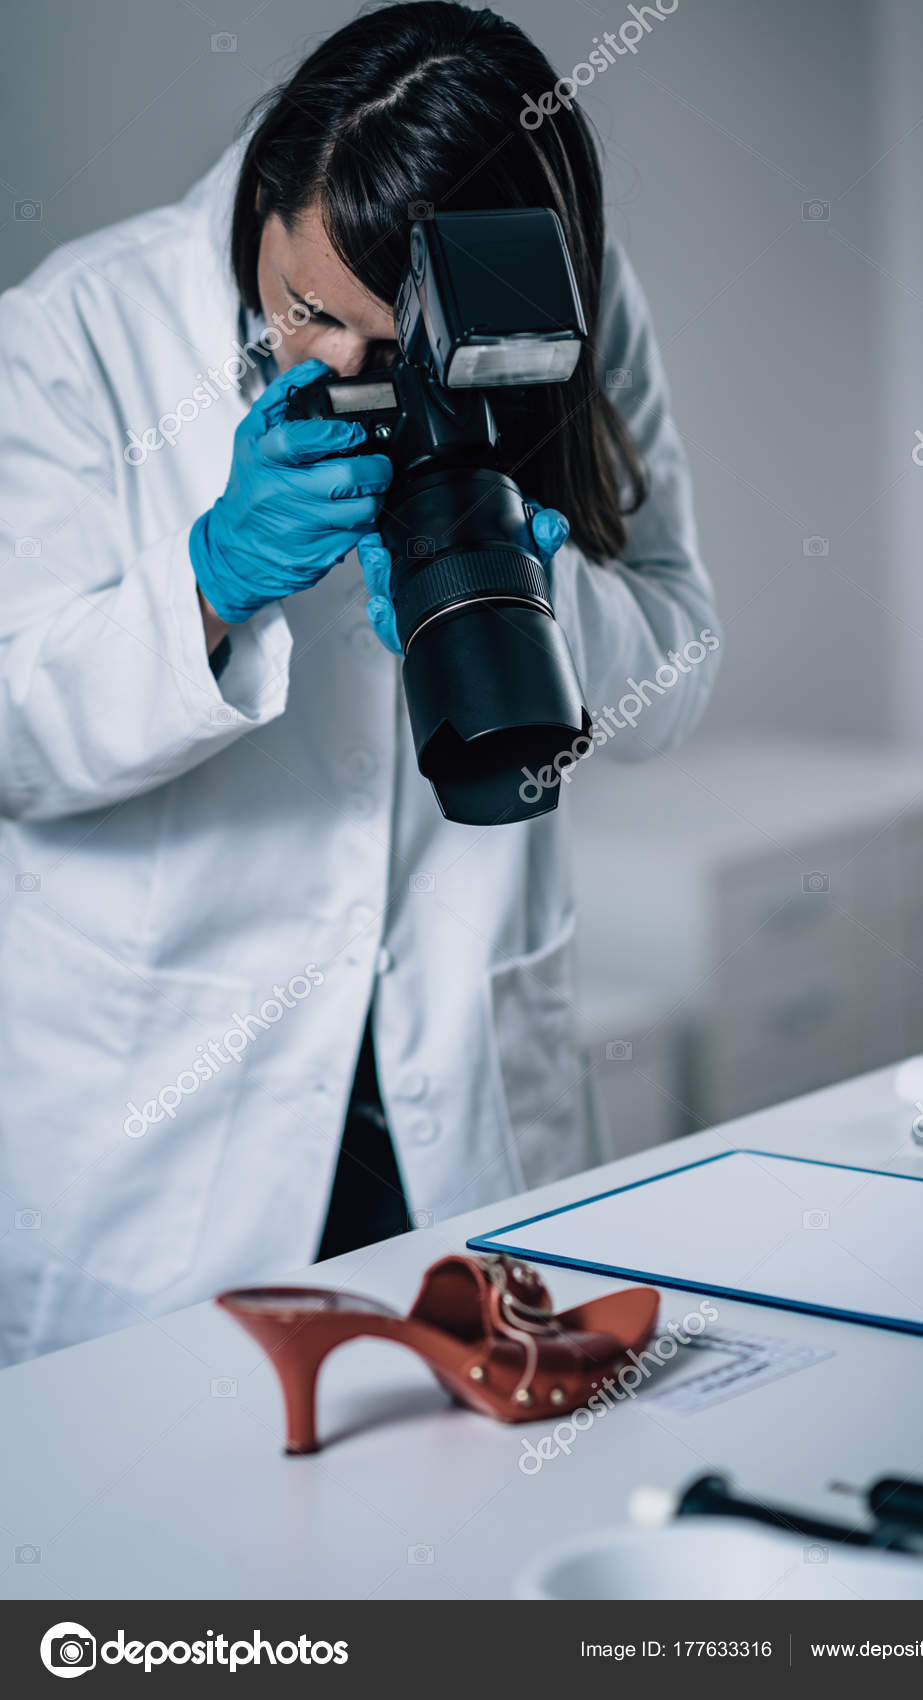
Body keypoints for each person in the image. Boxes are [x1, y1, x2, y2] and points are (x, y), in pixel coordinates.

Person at [0, 2, 717, 1364]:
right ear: (262, 208)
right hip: (161, 1153)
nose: (341, 367)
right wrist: (210, 584)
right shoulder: (74, 335)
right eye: (309, 311)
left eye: (397, 349)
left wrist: (537, 590)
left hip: (466, 1125)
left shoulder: (570, 304)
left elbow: (678, 671)